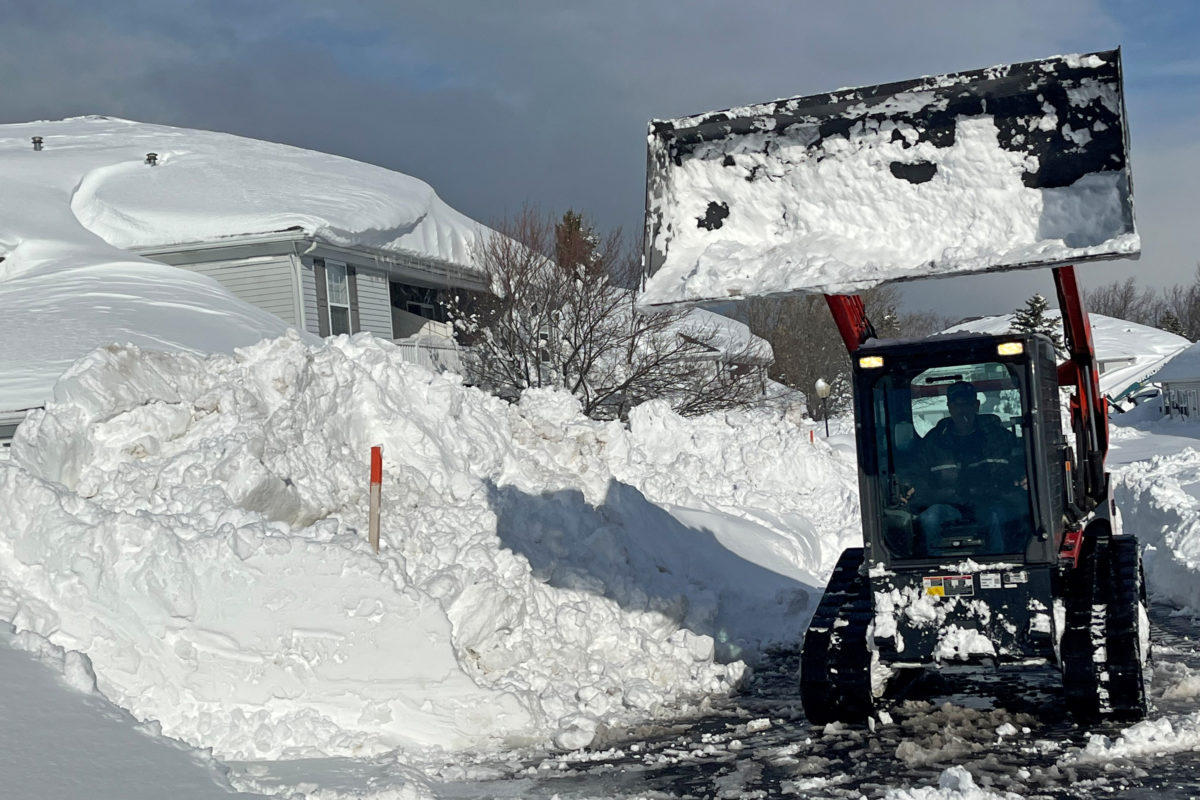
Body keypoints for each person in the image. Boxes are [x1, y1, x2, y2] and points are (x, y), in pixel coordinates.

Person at [914, 381, 1029, 554]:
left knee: (995, 516)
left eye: (967, 404)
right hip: (949, 505)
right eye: (957, 404)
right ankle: (934, 564)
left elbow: (1019, 465)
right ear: (949, 407)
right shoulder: (933, 442)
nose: (962, 410)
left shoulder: (999, 438)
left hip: (989, 501)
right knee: (929, 518)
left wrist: (1020, 478)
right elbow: (918, 475)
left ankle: (998, 561)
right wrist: (923, 491)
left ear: (976, 405)